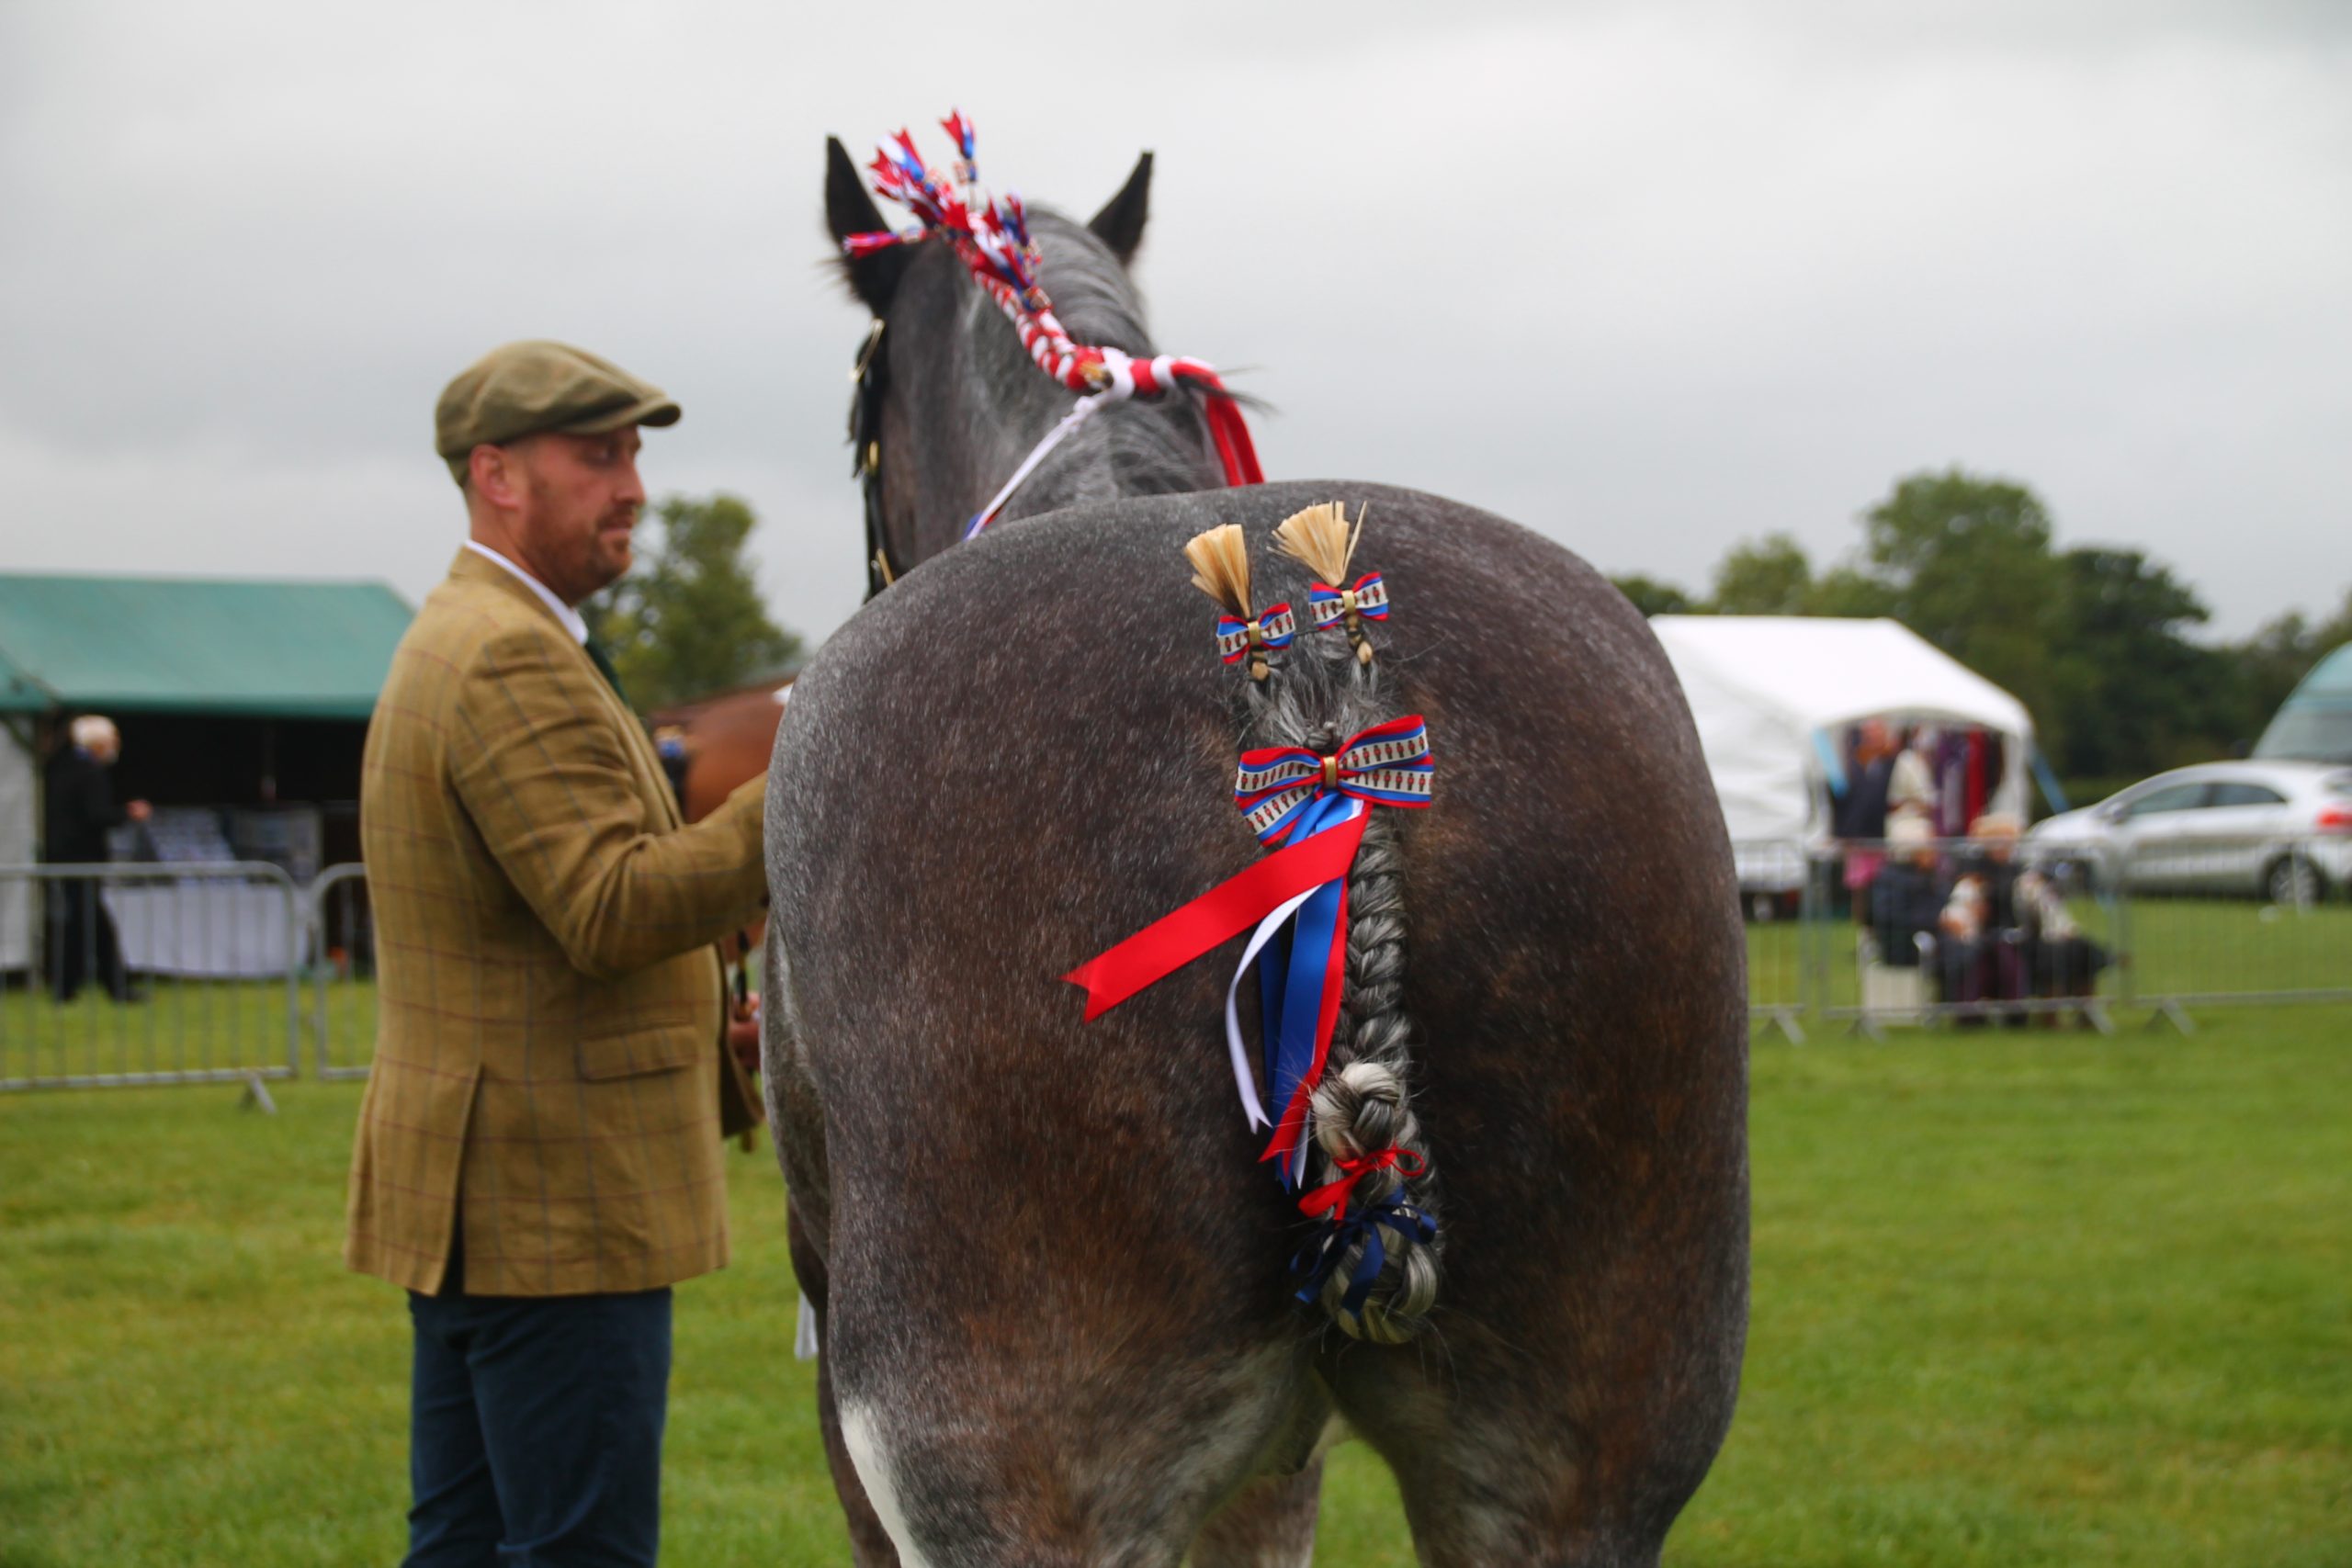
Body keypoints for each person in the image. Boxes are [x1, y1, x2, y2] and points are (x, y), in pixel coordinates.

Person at [345, 341, 770, 1567]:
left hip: (501, 1187)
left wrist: (706, 1019)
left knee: (469, 1542)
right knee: (578, 1548)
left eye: (633, 452)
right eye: (598, 455)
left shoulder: (484, 631)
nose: (632, 483)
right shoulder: (511, 653)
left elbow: (528, 925)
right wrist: (801, 770)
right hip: (555, 1199)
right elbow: (612, 903)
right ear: (498, 475)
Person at [40, 714, 150, 1002]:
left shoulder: (60, 767)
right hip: (82, 858)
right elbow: (97, 815)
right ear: (99, 743)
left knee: (85, 924)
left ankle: (80, 987)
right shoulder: (90, 772)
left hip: (63, 856)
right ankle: (97, 987)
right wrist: (128, 813)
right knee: (87, 925)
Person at [1838, 718, 1897, 926]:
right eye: (1868, 734)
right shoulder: (1855, 762)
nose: (1871, 738)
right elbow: (1848, 802)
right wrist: (1845, 833)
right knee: (1860, 889)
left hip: (1882, 836)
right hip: (1860, 836)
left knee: (1883, 887)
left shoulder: (1893, 761)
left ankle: (1880, 930)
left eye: (1875, 733)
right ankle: (1864, 933)